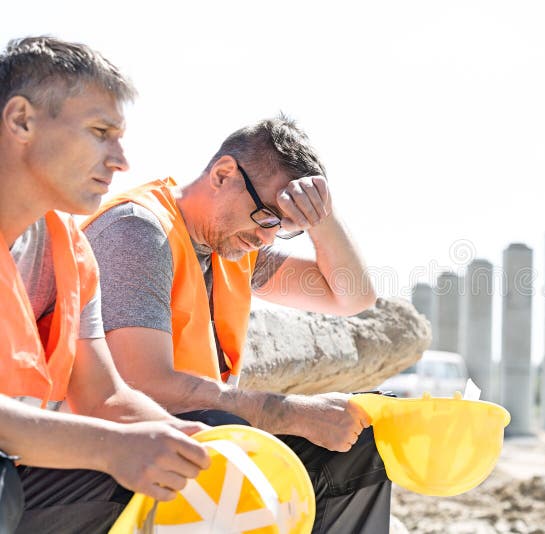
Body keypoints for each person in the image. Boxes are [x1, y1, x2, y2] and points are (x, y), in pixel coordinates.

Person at [83, 115, 391, 533]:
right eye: (266, 216)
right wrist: (288, 413)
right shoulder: (137, 231)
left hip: (192, 441)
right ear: (224, 174)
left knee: (357, 436)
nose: (266, 238)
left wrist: (323, 220)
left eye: (283, 229)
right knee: (226, 430)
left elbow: (353, 296)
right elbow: (143, 387)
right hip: (100, 464)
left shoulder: (235, 249)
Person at [0, 36, 212, 534]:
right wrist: (113, 448)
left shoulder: (71, 253)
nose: (120, 160)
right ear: (21, 121)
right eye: (101, 132)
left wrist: (182, 439)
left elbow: (105, 399)